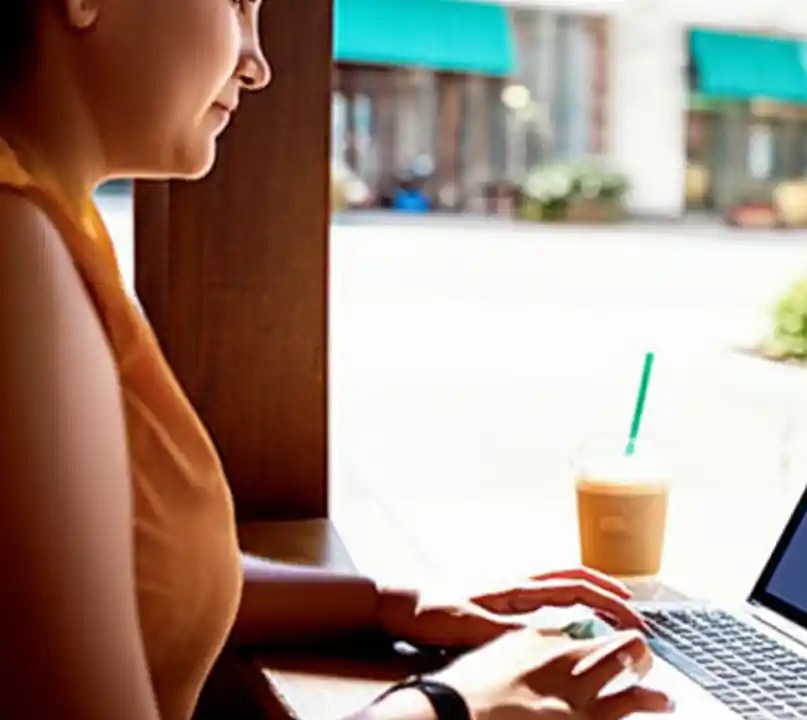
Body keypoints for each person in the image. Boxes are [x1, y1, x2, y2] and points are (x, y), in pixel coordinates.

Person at [0, 1, 674, 719]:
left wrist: (392, 601)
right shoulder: (16, 257)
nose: (257, 65)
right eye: (235, 4)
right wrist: (461, 702)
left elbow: (119, 575)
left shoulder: (49, 219)